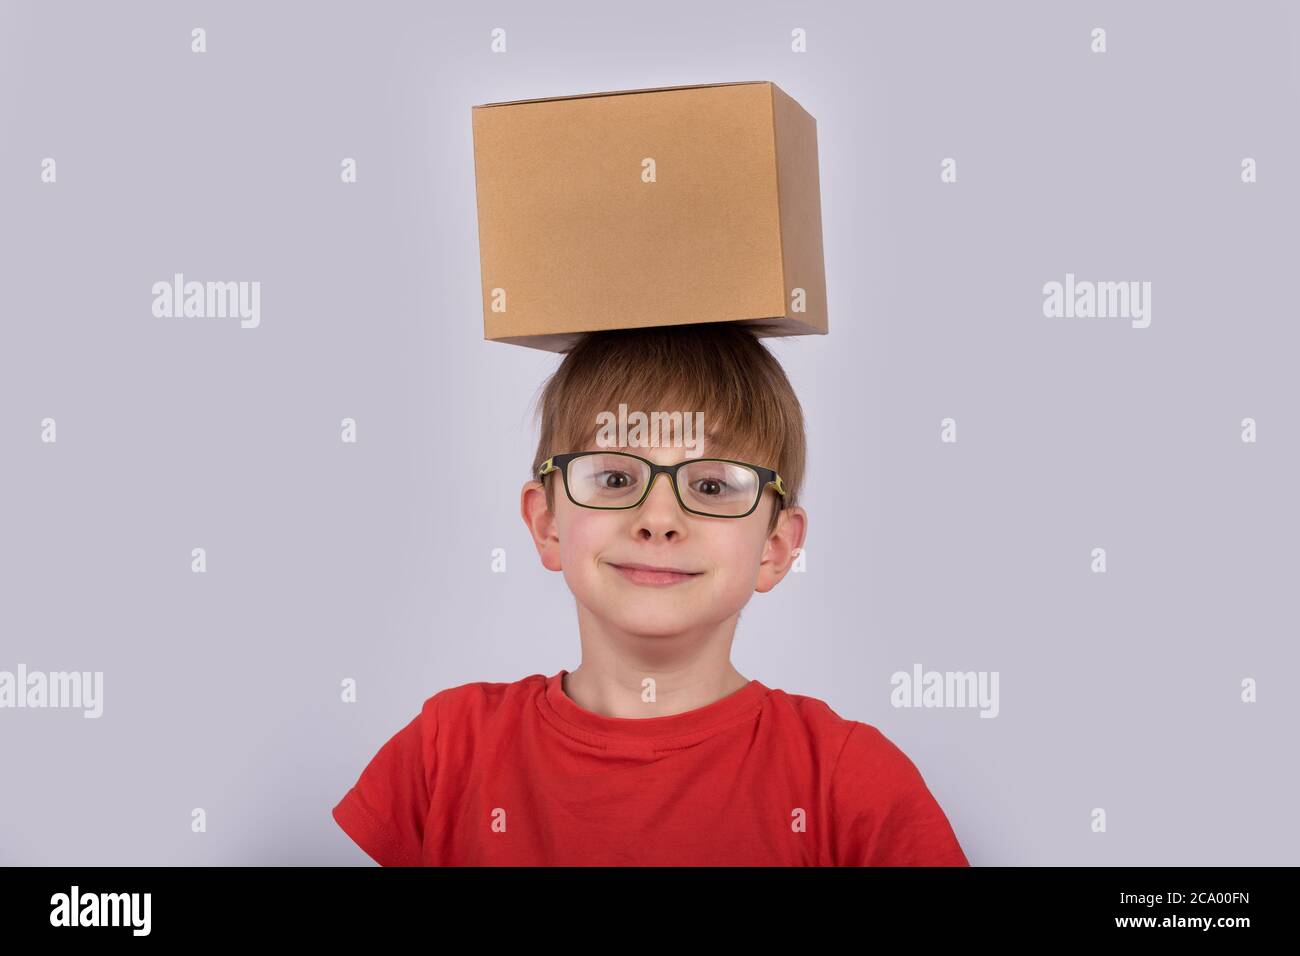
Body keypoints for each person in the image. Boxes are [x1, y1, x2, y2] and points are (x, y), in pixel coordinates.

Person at [332, 322, 969, 865]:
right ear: (547, 525)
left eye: (714, 486)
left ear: (776, 546)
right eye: (613, 476)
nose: (659, 517)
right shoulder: (447, 752)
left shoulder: (849, 782)